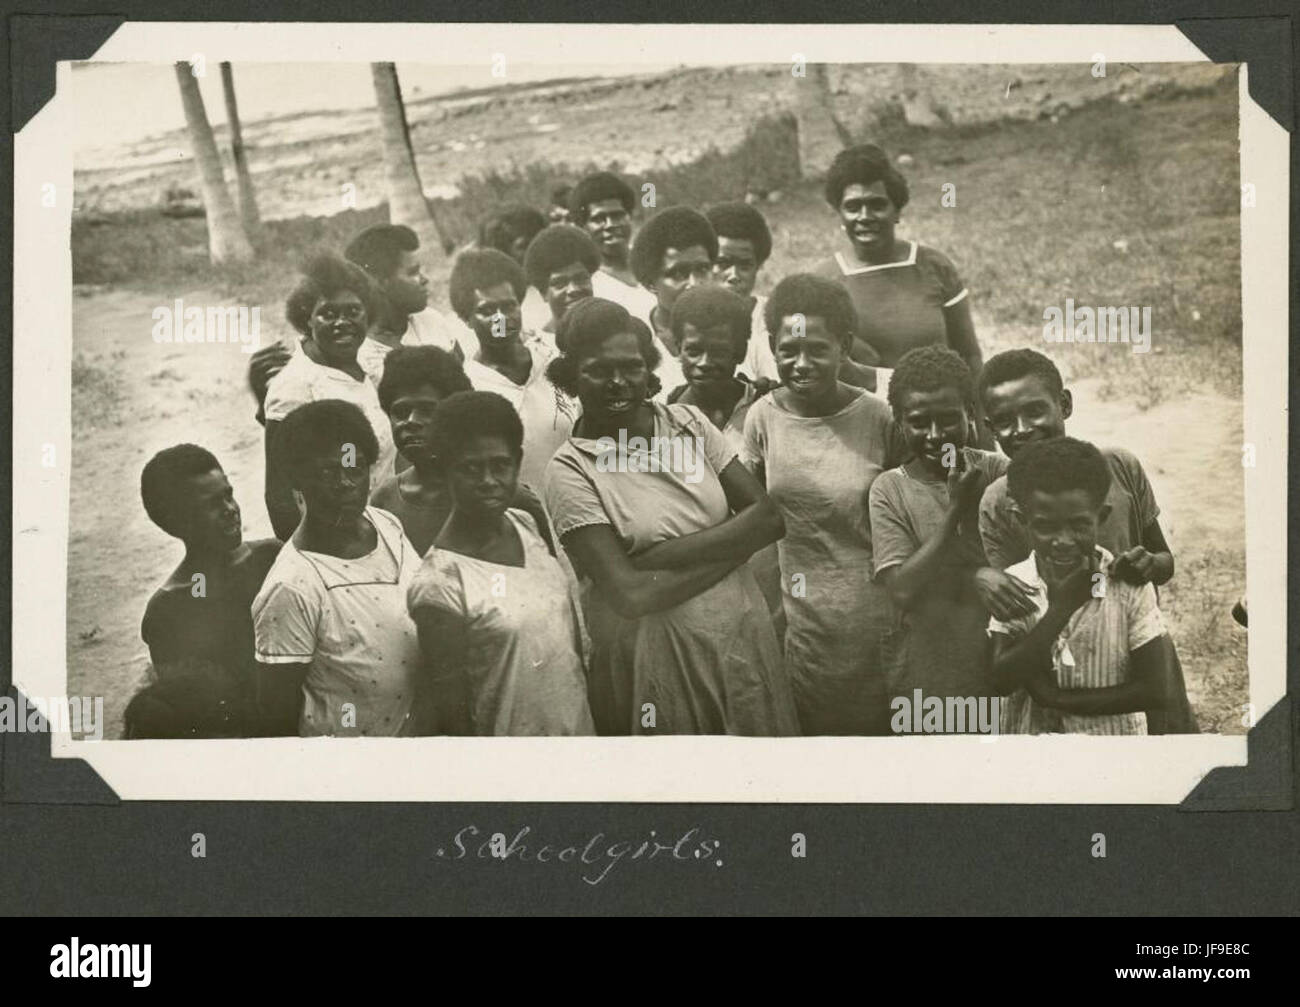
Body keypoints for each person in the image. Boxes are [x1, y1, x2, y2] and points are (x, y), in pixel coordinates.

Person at [543, 297, 798, 736]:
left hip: (740, 638)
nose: (618, 382)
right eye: (599, 370)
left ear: (649, 370)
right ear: (572, 378)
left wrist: (654, 558)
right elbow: (631, 596)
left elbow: (770, 519)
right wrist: (735, 551)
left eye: (631, 367)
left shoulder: (689, 424)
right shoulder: (570, 470)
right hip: (657, 658)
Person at [974, 348, 1196, 732]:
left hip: (1136, 649)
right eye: (1006, 421)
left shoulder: (1119, 467)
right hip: (1056, 668)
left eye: (1034, 411)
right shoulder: (999, 500)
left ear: (1064, 404)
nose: (1022, 428)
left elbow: (1165, 561)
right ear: (990, 428)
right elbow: (1016, 608)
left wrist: (1148, 563)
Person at [741, 274, 905, 735]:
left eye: (817, 349)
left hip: (878, 624)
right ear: (771, 345)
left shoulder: (880, 417)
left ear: (845, 345)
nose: (801, 363)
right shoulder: (762, 420)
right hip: (803, 629)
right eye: (788, 350)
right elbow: (753, 523)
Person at [407, 391, 594, 735]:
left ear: (518, 462)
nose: (489, 481)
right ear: (444, 471)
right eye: (471, 469)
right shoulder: (441, 582)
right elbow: (453, 714)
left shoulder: (526, 524)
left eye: (500, 465)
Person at [252, 400, 422, 737]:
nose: (345, 483)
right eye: (328, 472)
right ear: (296, 481)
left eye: (354, 468)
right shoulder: (292, 587)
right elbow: (276, 715)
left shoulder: (386, 524)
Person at [988, 437, 1177, 735]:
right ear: (1024, 521)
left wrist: (1055, 699)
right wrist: (1061, 608)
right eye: (1046, 526)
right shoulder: (1015, 584)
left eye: (1078, 525)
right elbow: (1000, 681)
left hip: (1112, 751)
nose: (1063, 541)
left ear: (1100, 518)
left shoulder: (1127, 585)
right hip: (1034, 757)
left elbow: (1155, 690)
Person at [868, 346, 1015, 719]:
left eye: (949, 419)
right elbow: (902, 588)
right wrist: (955, 510)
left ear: (971, 415)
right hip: (929, 667)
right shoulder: (890, 489)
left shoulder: (1000, 473)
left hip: (1002, 657)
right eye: (919, 422)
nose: (935, 435)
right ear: (900, 424)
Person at [133, 444, 281, 738]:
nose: (230, 510)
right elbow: (190, 709)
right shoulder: (168, 610)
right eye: (212, 504)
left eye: (229, 495)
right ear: (176, 521)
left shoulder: (272, 557)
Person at [813, 144, 982, 396]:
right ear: (840, 214)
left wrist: (977, 425)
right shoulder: (822, 282)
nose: (865, 216)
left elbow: (969, 356)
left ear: (897, 211)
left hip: (938, 417)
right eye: (852, 207)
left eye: (877, 204)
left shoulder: (934, 266)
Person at [667, 285, 784, 636]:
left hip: (769, 580)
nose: (705, 362)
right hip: (701, 584)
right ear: (678, 350)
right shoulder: (663, 420)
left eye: (718, 351)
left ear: (740, 351)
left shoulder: (770, 406)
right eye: (693, 350)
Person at [370, 345, 553, 555]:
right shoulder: (384, 500)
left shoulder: (507, 496)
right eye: (400, 412)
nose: (411, 422)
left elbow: (548, 578)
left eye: (427, 410)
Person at [262, 254, 397, 540]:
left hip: (383, 528)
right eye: (328, 313)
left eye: (353, 311)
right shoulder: (295, 387)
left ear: (368, 314)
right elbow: (280, 495)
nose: (342, 322)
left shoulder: (370, 368)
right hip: (336, 540)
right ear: (307, 318)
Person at [448, 247, 576, 497]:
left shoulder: (553, 359)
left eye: (509, 306)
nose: (501, 320)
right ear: (466, 319)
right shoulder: (468, 388)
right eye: (487, 311)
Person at [343, 223, 473, 381]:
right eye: (413, 272)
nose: (425, 279)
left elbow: (465, 382)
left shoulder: (431, 320)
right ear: (380, 282)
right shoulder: (360, 355)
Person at [629, 205, 719, 399]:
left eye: (702, 269)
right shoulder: (634, 345)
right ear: (650, 282)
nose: (694, 284)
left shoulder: (740, 333)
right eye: (678, 273)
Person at [704, 201, 779, 383]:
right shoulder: (689, 322)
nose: (734, 276)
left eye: (745, 265)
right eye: (722, 264)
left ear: (758, 265)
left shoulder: (774, 318)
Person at [569, 171, 658, 321]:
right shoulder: (586, 283)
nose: (610, 225)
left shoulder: (655, 265)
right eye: (599, 219)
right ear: (582, 227)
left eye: (617, 215)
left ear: (629, 217)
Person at [521, 223, 600, 351]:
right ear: (544, 293)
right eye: (560, 283)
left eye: (581, 279)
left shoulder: (612, 336)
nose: (574, 289)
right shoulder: (536, 352)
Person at [478, 204, 551, 333]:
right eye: (524, 246)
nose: (535, 251)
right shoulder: (495, 299)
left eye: (538, 241)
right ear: (503, 252)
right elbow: (500, 338)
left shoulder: (557, 283)